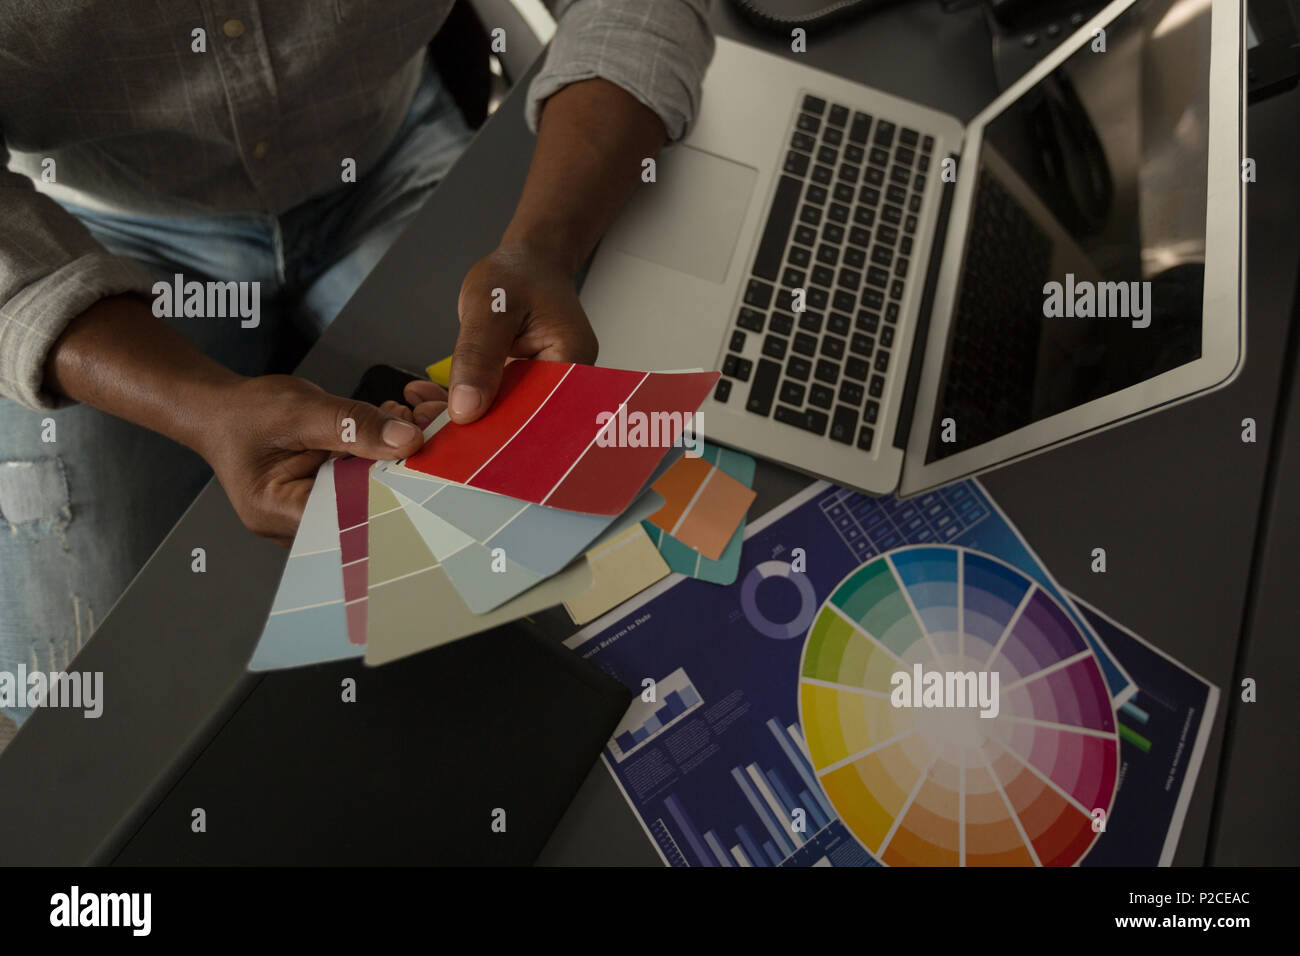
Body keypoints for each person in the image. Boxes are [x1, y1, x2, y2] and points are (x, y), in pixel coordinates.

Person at [0, 1, 715, 726]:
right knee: (65, 711)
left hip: (390, 159)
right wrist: (200, 408)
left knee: (589, 549)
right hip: (94, 240)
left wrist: (542, 249)